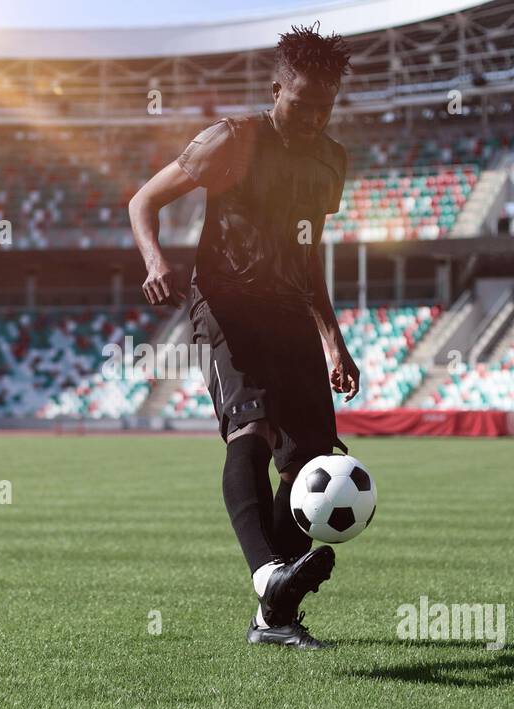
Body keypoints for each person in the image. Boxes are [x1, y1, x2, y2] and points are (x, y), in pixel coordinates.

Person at [128, 23, 359, 649]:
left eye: (325, 104)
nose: (313, 115)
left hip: (290, 313)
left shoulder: (329, 160)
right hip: (225, 304)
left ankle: (275, 618)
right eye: (302, 100)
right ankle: (268, 576)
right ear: (276, 88)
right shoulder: (230, 141)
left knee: (313, 461)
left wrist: (332, 338)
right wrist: (155, 263)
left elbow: (308, 255)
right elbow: (143, 201)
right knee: (250, 429)